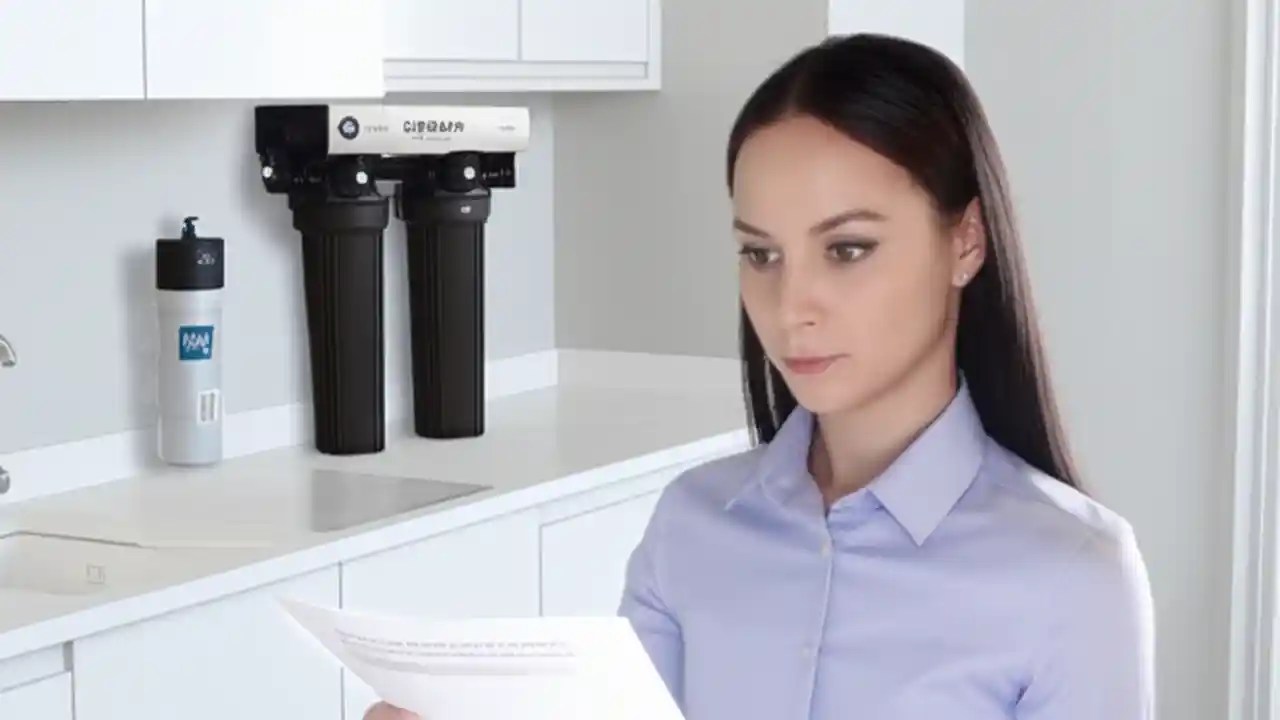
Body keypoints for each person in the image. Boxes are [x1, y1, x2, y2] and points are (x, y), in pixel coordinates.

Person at [364, 31, 1155, 720]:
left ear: (966, 242)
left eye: (847, 249)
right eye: (760, 254)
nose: (790, 306)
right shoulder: (693, 525)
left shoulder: (1072, 570)